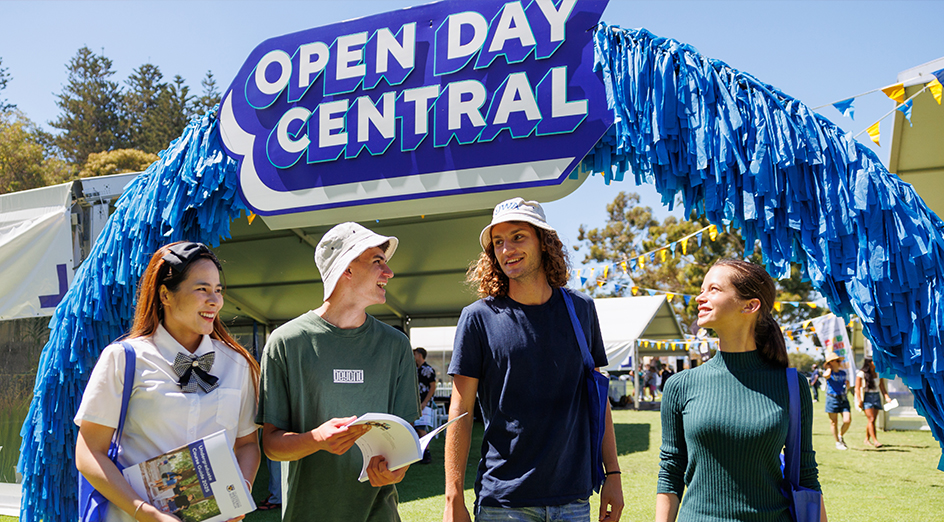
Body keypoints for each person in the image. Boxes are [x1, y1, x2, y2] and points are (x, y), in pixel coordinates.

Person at [444, 197, 624, 522]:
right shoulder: (478, 318)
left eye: (517, 237)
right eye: (498, 242)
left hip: (573, 500)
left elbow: (598, 399)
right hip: (503, 502)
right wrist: (452, 496)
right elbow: (460, 410)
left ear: (544, 242)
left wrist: (613, 473)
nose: (506, 249)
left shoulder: (581, 309)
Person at [75, 242, 261, 522]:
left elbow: (247, 444)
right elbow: (89, 451)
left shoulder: (238, 365)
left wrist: (240, 494)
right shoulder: (124, 359)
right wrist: (146, 513)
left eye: (218, 290)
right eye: (202, 289)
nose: (215, 300)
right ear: (165, 294)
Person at [257, 222, 420, 522]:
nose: (389, 272)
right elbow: (271, 446)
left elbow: (405, 440)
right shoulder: (286, 343)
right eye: (377, 262)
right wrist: (316, 439)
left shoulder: (396, 345)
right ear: (346, 269)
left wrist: (397, 470)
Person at [656, 259, 825, 522]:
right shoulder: (680, 385)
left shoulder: (792, 385)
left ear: (750, 305)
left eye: (713, 289)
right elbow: (671, 471)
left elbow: (805, 473)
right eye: (702, 289)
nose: (700, 298)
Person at [855, 358, 891, 448]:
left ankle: (867, 439)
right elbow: (857, 388)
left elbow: (881, 386)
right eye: (874, 361)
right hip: (866, 397)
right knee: (871, 419)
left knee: (872, 420)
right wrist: (859, 400)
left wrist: (886, 397)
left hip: (876, 396)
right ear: (869, 363)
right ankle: (875, 441)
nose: (876, 363)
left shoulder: (878, 373)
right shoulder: (861, 374)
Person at [823, 351, 852, 450]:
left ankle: (840, 435)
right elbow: (825, 376)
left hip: (843, 398)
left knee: (847, 420)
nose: (839, 362)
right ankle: (837, 442)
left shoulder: (843, 373)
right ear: (831, 362)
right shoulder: (829, 373)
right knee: (833, 422)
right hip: (832, 398)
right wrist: (829, 368)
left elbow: (846, 385)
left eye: (839, 360)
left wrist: (847, 385)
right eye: (836, 360)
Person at [413, 347, 437, 464]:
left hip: (424, 404)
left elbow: (433, 386)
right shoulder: (415, 369)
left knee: (421, 428)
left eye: (415, 354)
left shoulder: (428, 369)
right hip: (416, 403)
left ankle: (426, 453)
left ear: (420, 355)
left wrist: (425, 402)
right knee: (415, 428)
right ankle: (419, 453)